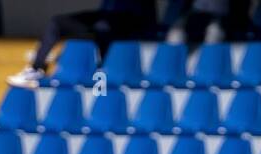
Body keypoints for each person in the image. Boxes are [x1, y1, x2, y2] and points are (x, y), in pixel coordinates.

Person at [8, 1, 155, 89]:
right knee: (57, 22)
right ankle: (36, 69)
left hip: (127, 22)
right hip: (105, 17)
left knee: (103, 27)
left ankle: (103, 74)